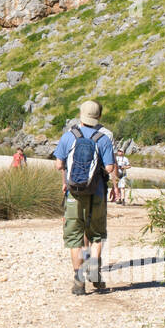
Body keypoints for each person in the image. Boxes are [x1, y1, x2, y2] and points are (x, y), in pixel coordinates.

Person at [53, 100, 117, 296]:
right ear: (98, 116)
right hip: (97, 192)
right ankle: (95, 272)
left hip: (74, 192)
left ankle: (79, 282)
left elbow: (58, 165)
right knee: (96, 234)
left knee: (75, 237)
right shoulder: (103, 138)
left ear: (81, 115)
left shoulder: (68, 137)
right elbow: (109, 168)